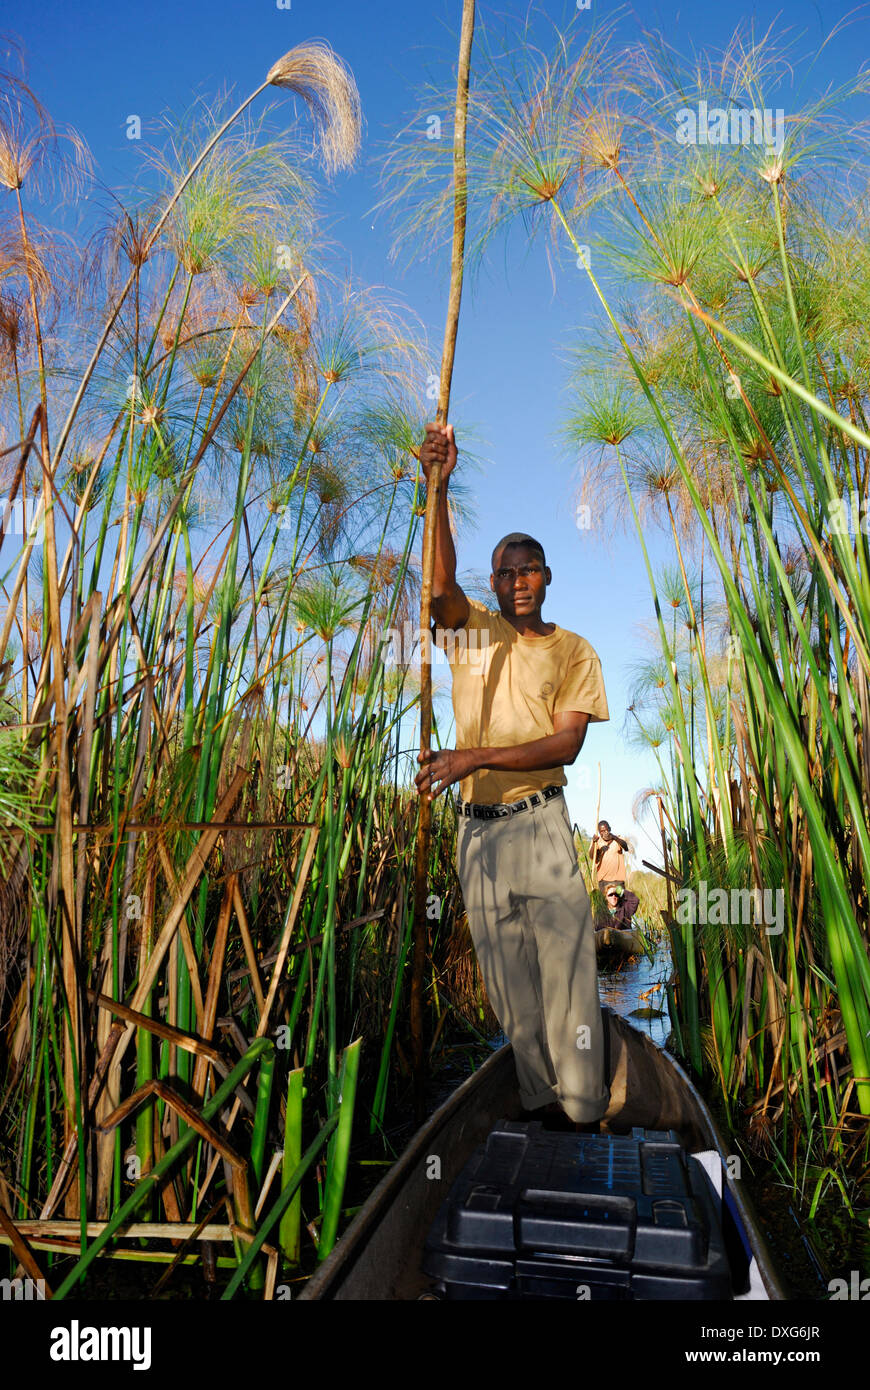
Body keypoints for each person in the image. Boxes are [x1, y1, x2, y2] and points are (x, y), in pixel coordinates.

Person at [414, 421, 611, 1131]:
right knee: (510, 990)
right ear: (492, 584)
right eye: (504, 572)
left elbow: (564, 747)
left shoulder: (575, 651)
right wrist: (437, 485)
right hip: (480, 839)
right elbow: (437, 586)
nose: (517, 580)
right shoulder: (473, 636)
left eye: (528, 569)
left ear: (547, 577)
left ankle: (586, 1113)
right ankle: (539, 1104)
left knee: (568, 981)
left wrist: (474, 758)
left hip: (541, 826)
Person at [591, 820, 630, 890]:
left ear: (609, 829)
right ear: (599, 832)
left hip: (618, 880)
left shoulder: (617, 839)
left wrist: (614, 837)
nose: (604, 833)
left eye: (606, 830)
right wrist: (594, 844)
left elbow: (626, 848)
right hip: (603, 881)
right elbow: (592, 856)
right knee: (605, 900)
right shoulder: (597, 841)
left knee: (620, 900)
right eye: (601, 831)